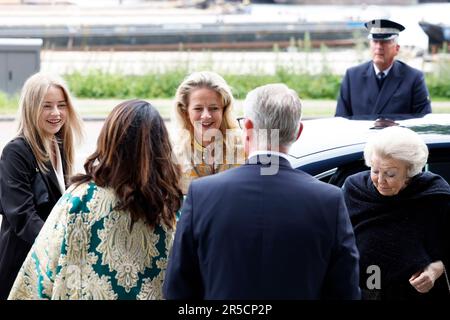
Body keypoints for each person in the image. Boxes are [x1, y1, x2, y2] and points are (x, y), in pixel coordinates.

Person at [163, 83, 361, 299]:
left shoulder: (202, 193)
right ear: (298, 132)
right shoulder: (329, 200)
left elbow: (177, 289)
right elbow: (345, 292)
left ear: (247, 127)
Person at [8, 99, 183, 300]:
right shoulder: (172, 206)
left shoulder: (78, 200)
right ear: (160, 146)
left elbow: (40, 271)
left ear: (109, 141)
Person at [0, 72, 83, 299]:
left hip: (49, 263)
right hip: (22, 264)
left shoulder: (59, 143)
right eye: (47, 106)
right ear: (31, 108)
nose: (56, 113)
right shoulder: (16, 152)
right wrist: (62, 245)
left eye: (61, 105)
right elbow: (23, 217)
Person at [342, 126, 450, 300]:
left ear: (410, 171)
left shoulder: (435, 195)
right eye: (375, 171)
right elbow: (338, 241)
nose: (380, 180)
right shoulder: (355, 189)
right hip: (366, 290)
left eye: (390, 174)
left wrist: (436, 269)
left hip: (414, 293)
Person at [335, 19, 432, 118]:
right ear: (370, 45)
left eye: (385, 42)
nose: (378, 47)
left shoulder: (413, 78)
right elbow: (341, 120)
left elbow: (423, 120)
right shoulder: (352, 77)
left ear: (397, 49)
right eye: (375, 41)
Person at [172, 71, 244, 194]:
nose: (206, 115)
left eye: (214, 108)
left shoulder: (244, 148)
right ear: (185, 111)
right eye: (198, 109)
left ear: (224, 110)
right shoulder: (173, 151)